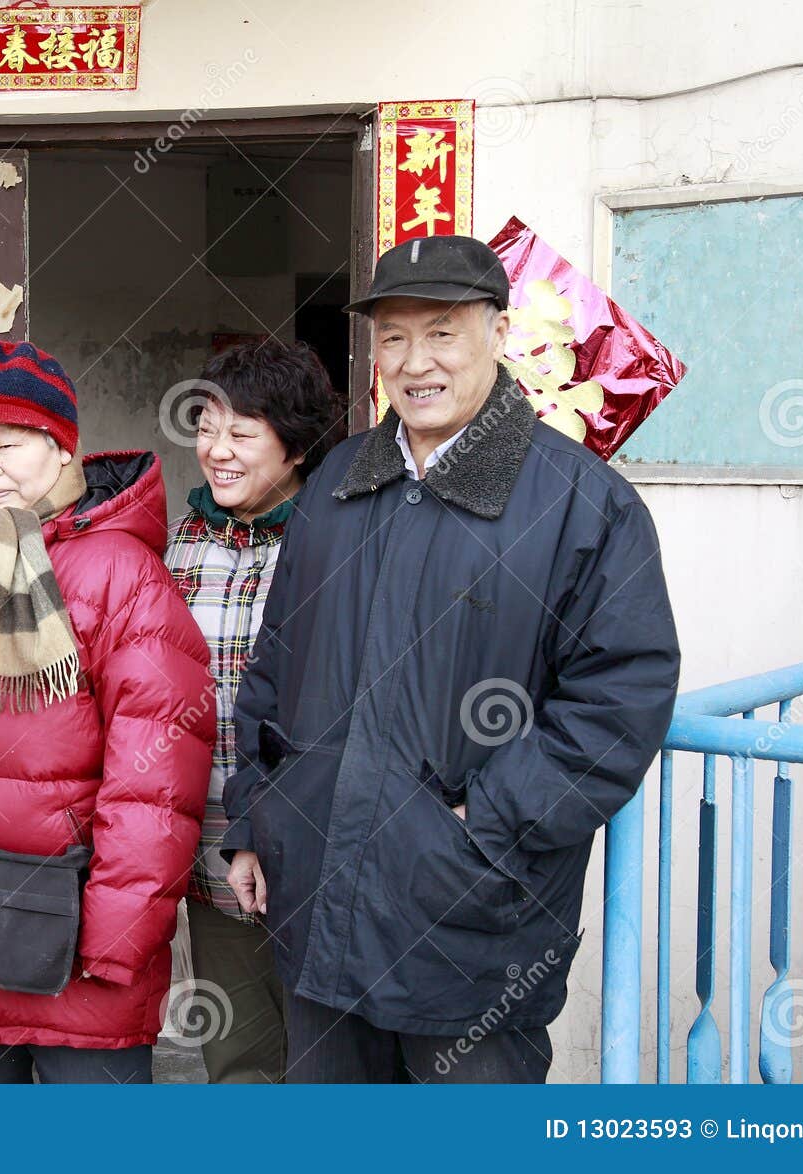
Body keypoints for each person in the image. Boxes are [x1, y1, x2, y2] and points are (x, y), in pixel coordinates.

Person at [221, 235, 681, 1083]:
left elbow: (620, 699)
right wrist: (255, 819)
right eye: (393, 337)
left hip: (470, 923)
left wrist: (487, 823)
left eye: (441, 332)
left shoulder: (582, 503)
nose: (414, 362)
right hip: (320, 901)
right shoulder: (338, 485)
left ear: (498, 334)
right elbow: (276, 661)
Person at [0, 340, 214, 1084]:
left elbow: (156, 779)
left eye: (10, 446)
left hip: (76, 953)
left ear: (61, 451)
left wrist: (116, 942)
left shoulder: (120, 572)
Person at [163, 338, 345, 1082]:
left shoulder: (338, 543)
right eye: (208, 427)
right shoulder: (181, 544)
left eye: (243, 432)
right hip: (209, 853)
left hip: (314, 850)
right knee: (238, 1060)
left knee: (332, 1061)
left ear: (295, 446)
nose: (217, 450)